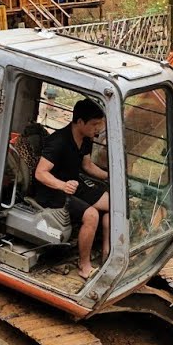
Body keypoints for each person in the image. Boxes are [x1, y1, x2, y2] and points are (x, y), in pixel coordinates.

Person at [34, 98, 110, 279]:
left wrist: (112, 177)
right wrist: (62, 185)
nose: (98, 129)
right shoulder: (58, 141)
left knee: (115, 204)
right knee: (91, 215)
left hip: (73, 184)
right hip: (52, 191)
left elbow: (87, 165)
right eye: (94, 124)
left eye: (100, 124)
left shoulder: (86, 138)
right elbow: (40, 173)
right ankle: (84, 265)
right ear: (80, 122)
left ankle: (108, 251)